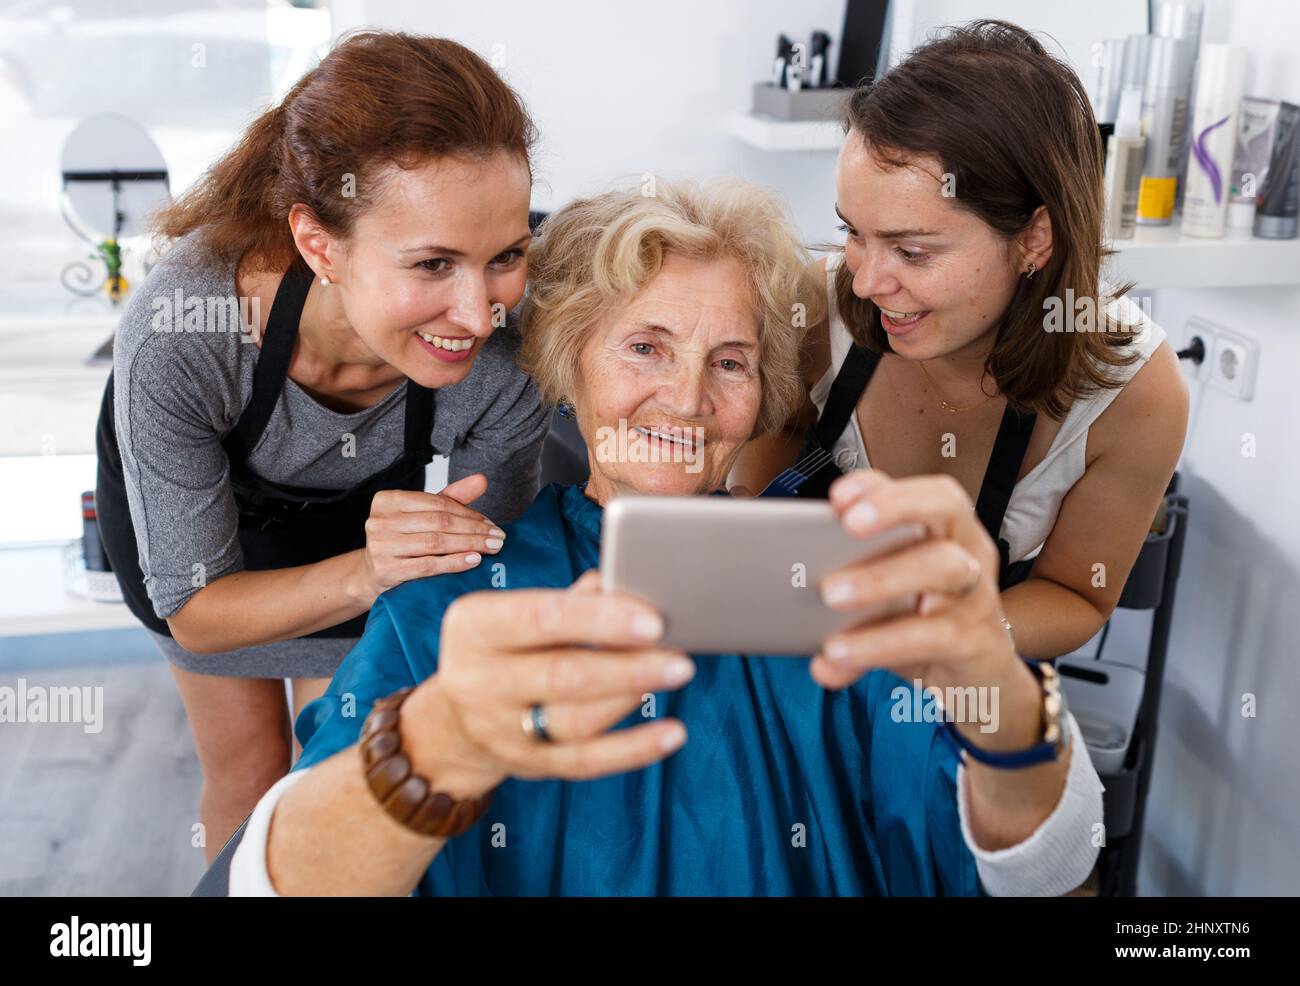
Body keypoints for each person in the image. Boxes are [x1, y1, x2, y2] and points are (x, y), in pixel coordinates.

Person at [228, 178, 1103, 896]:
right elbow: (279, 883)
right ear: (568, 367)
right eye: (645, 348)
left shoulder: (840, 592)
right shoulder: (449, 601)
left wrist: (998, 683)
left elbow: (1048, 872)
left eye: (729, 361)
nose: (688, 399)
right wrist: (442, 739)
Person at [94, 31, 550, 862]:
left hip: (355, 525)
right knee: (250, 767)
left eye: (506, 256)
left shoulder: (512, 355)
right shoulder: (187, 330)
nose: (478, 312)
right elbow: (198, 616)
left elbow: (493, 558)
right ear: (318, 243)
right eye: (433, 263)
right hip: (198, 541)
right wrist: (369, 572)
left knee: (329, 766)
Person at [730, 20, 1189, 660]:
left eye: (912, 251)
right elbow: (755, 500)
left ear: (1035, 238)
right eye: (853, 233)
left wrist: (942, 645)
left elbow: (1076, 595)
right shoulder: (817, 306)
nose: (864, 283)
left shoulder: (1137, 392)